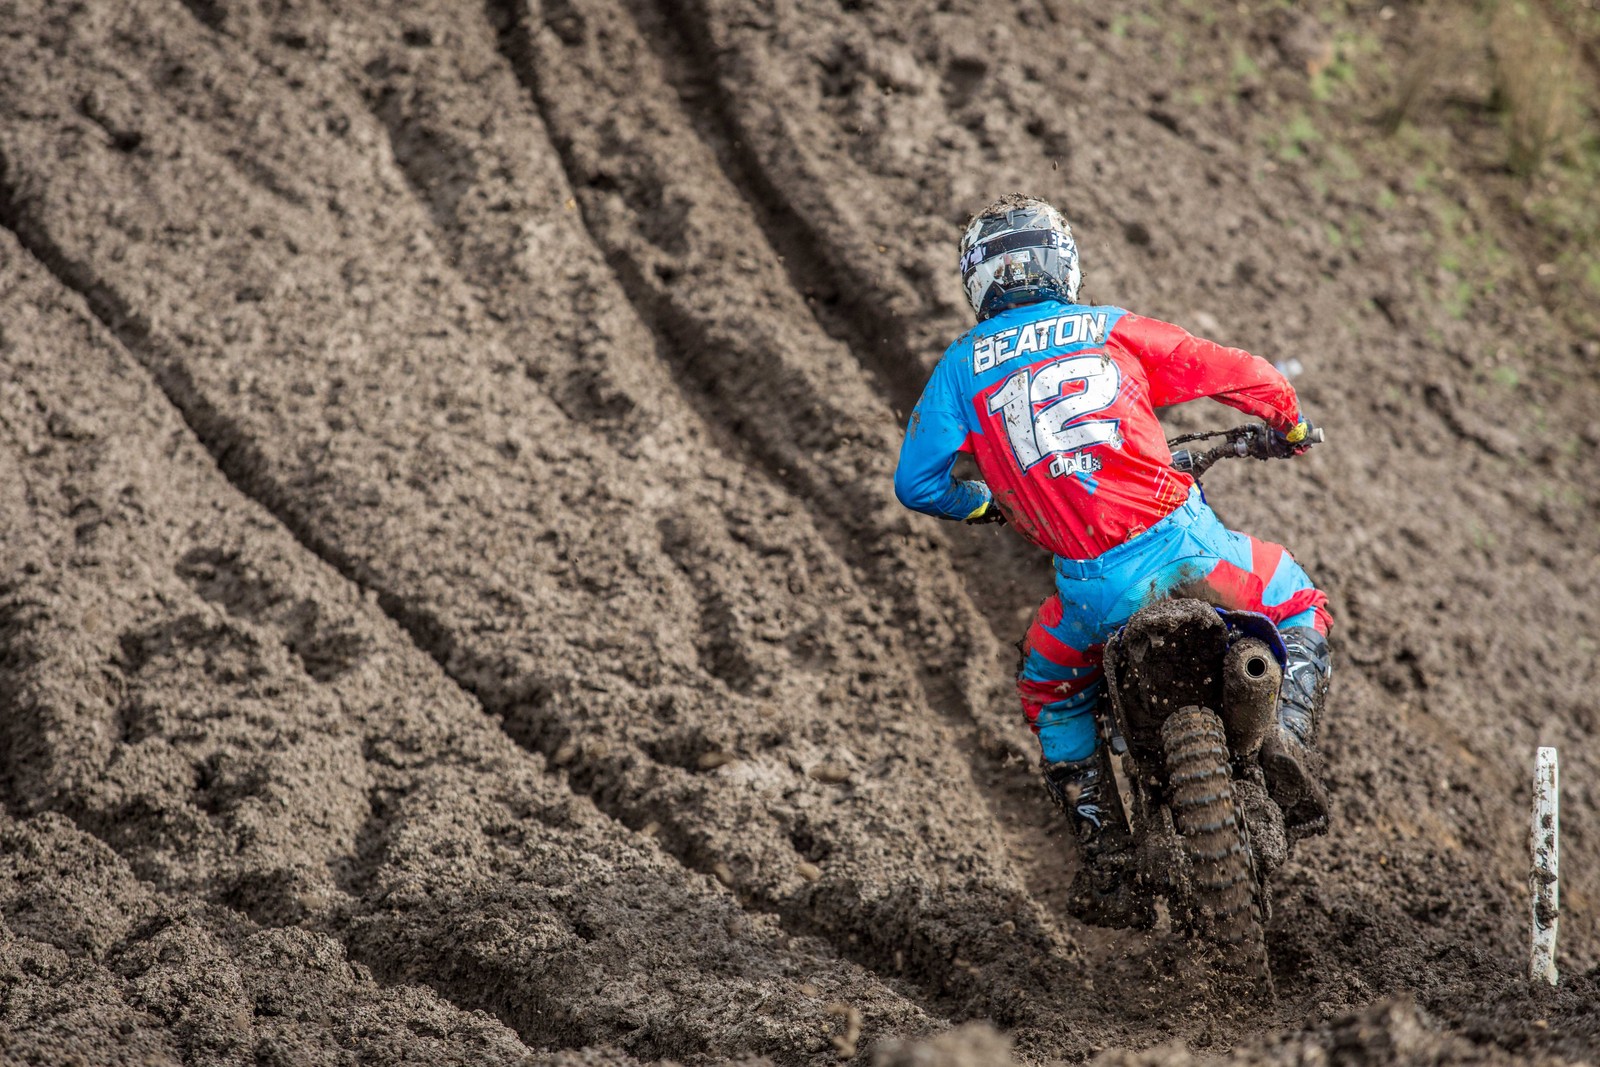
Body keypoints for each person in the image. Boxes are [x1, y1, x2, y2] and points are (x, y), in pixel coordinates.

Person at [893, 195, 1332, 927]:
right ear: (1062, 263)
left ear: (978, 283)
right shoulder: (1106, 327)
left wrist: (987, 506)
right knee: (1297, 602)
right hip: (1192, 553)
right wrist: (1288, 421)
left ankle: (1108, 858)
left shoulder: (961, 368)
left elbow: (918, 483)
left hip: (1092, 597)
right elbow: (1236, 369)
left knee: (1049, 690)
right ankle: (1282, 731)